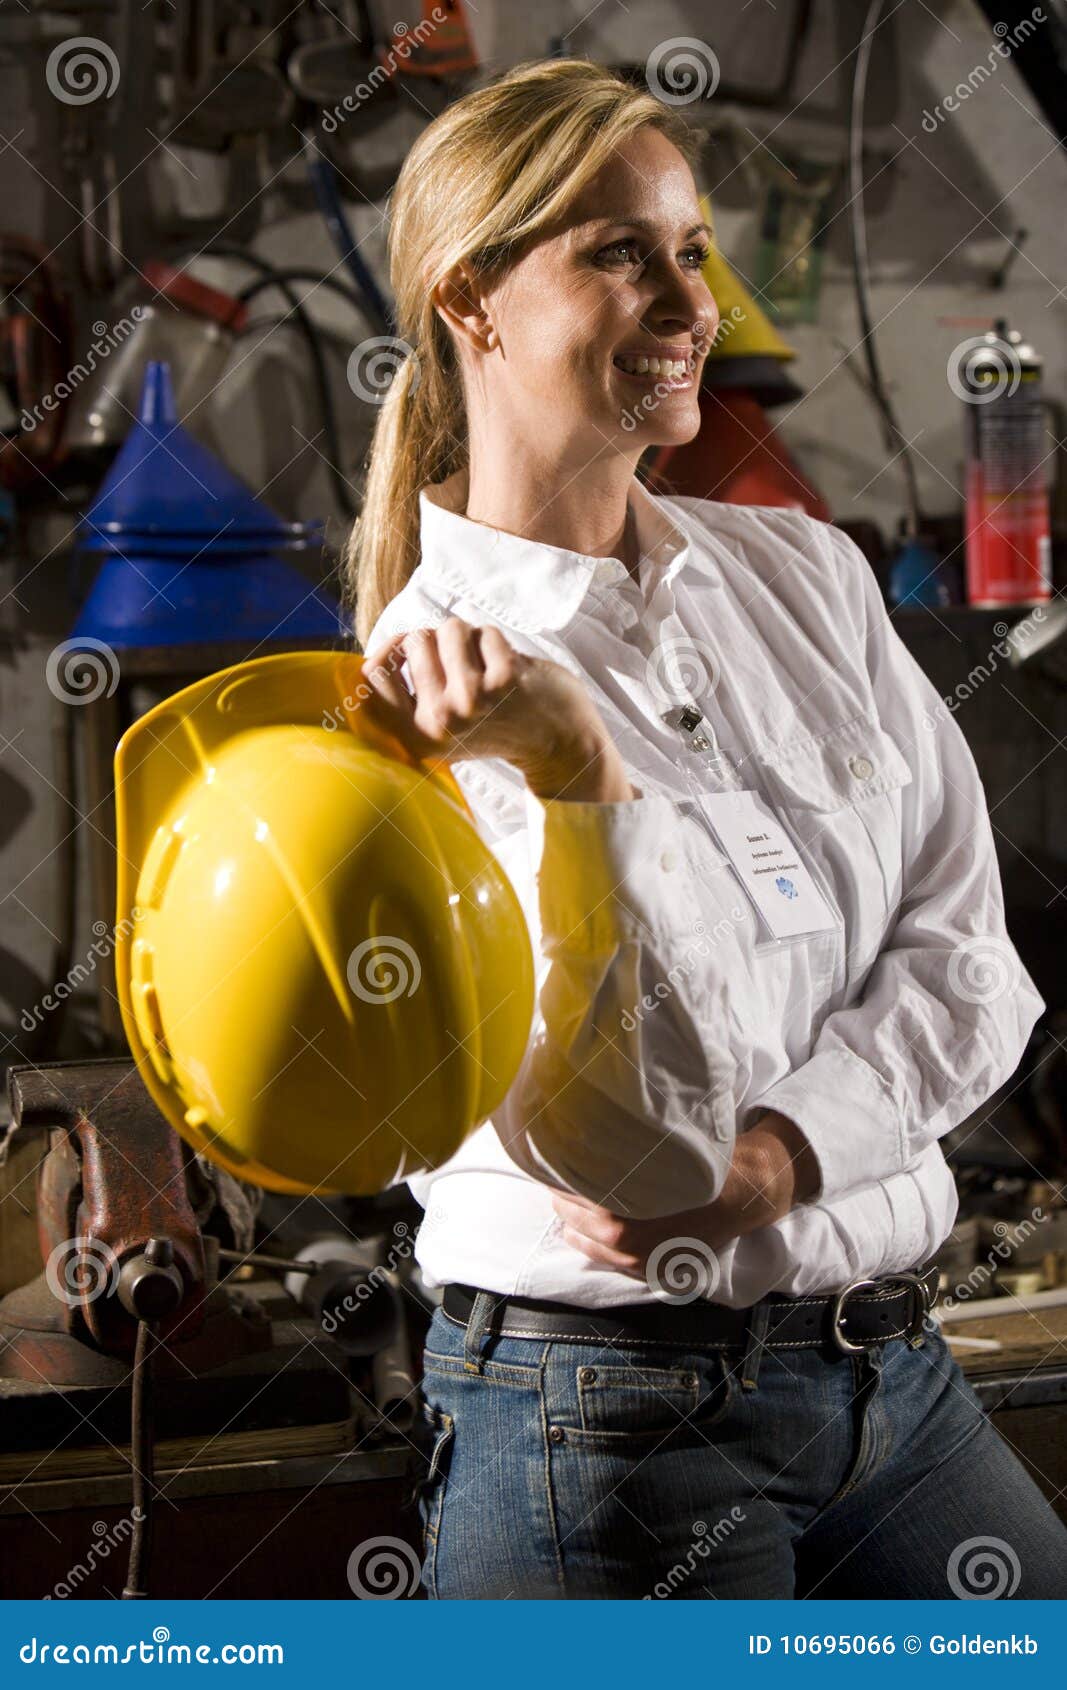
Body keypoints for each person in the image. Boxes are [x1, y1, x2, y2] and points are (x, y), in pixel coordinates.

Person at [350, 57, 1067, 1599]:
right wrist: (578, 780)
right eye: (624, 254)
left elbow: (975, 963)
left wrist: (782, 1155)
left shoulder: (803, 577)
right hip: (607, 1421)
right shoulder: (420, 690)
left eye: (691, 249)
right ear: (472, 299)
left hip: (892, 1375)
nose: (693, 304)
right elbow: (633, 1152)